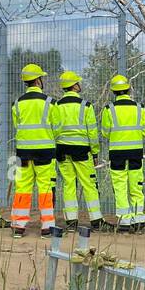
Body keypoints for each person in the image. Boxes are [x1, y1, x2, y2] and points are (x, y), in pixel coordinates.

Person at [100, 73, 145, 233]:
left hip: (117, 154)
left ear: (114, 92)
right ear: (129, 90)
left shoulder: (109, 110)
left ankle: (124, 223)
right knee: (136, 186)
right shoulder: (139, 109)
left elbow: (105, 133)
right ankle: (139, 222)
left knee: (120, 187)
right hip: (136, 152)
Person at [9, 63, 56, 238]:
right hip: (45, 151)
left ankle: (18, 226)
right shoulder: (50, 103)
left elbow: (17, 125)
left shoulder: (17, 104)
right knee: (45, 187)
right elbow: (56, 127)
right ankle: (47, 227)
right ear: (37, 80)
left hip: (23, 151)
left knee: (22, 187)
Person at [52, 70, 103, 230]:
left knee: (68, 185)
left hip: (62, 150)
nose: (79, 84)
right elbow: (92, 133)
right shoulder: (85, 106)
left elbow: (53, 129)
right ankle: (96, 220)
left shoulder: (56, 106)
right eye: (77, 82)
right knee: (89, 184)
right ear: (74, 85)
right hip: (81, 151)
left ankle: (71, 222)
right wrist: (95, 152)